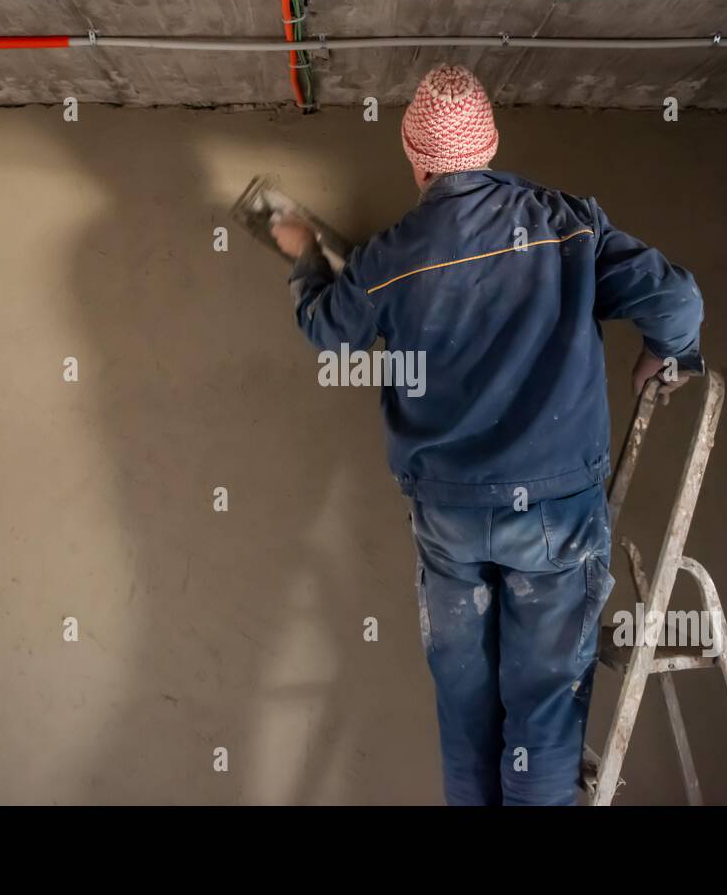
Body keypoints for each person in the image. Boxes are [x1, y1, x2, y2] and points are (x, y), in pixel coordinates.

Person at [271, 64, 704, 805]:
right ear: (491, 144)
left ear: (417, 158)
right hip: (554, 516)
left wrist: (305, 258)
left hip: (450, 520)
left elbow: (329, 333)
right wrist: (662, 354)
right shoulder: (566, 223)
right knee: (540, 718)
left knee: (467, 717)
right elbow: (678, 300)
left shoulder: (390, 256)